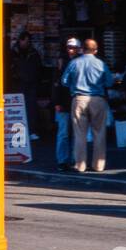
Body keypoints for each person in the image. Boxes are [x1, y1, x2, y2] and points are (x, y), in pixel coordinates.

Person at [61, 38, 115, 173]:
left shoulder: (74, 63)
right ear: (95, 50)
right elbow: (109, 82)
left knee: (80, 134)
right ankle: (98, 165)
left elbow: (64, 81)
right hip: (98, 99)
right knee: (99, 133)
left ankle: (80, 165)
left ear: (82, 49)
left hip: (79, 98)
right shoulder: (101, 64)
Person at [9, 31, 43, 139]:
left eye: (29, 41)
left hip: (31, 84)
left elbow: (38, 67)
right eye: (25, 41)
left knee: (31, 108)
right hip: (17, 84)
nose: (27, 43)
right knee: (17, 109)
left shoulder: (33, 53)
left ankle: (31, 131)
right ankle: (18, 132)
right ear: (20, 40)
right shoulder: (13, 53)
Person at [54, 38, 82, 170]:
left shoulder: (80, 62)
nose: (71, 50)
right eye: (69, 47)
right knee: (63, 133)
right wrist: (57, 102)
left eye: (73, 47)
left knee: (76, 133)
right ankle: (63, 160)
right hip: (65, 102)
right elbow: (56, 84)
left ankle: (74, 159)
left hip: (76, 102)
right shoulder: (62, 62)